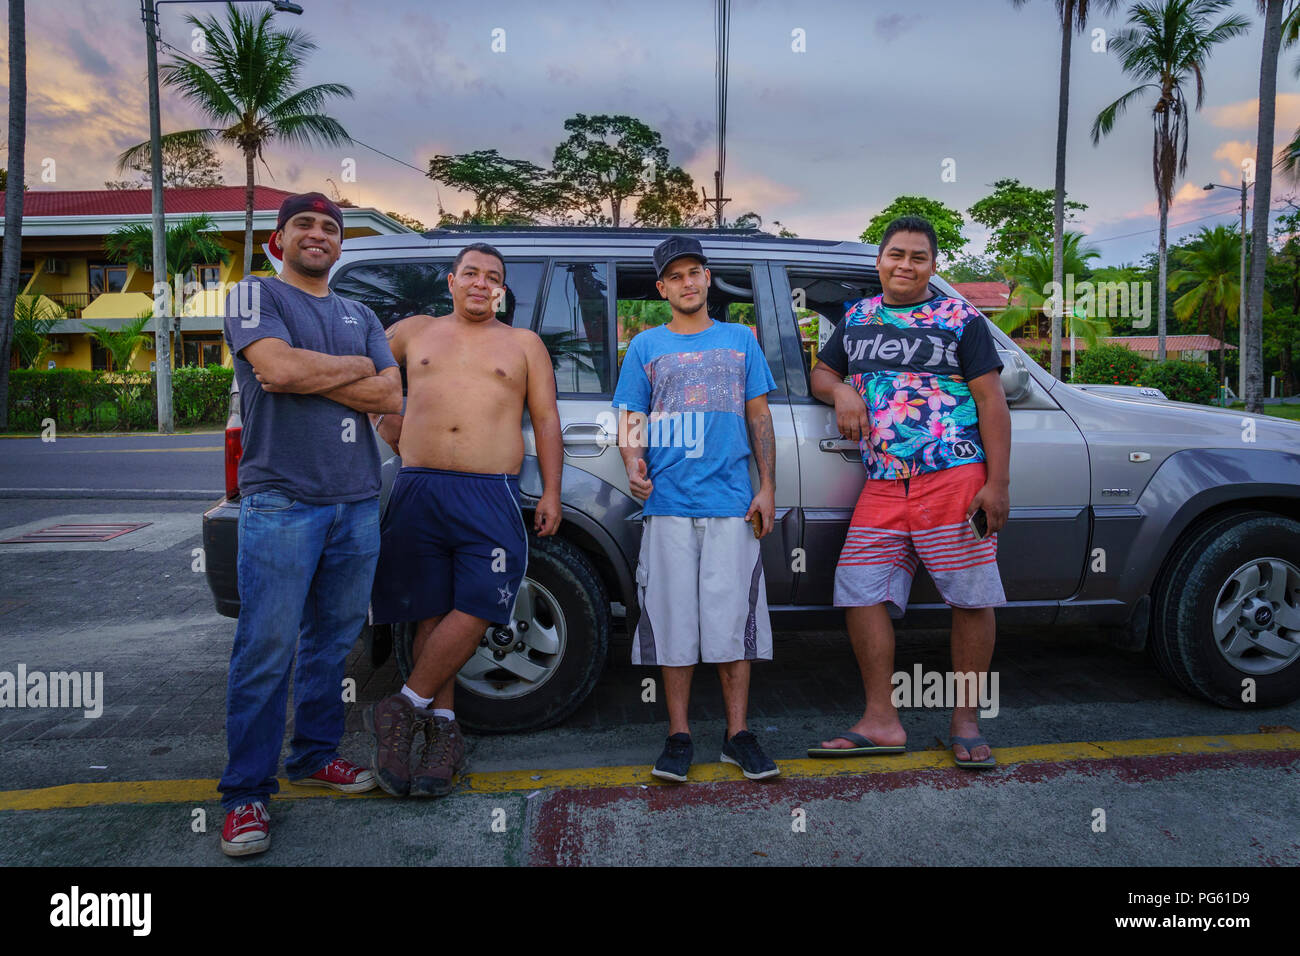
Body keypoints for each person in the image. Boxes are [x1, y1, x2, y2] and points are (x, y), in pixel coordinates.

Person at [218, 192, 402, 856]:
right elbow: (274, 367)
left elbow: (391, 394)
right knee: (266, 650)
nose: (318, 234)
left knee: (331, 644)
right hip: (282, 503)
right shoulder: (250, 296)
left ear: (340, 243)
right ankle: (244, 794)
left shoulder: (360, 312)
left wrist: (314, 374)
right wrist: (354, 368)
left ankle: (315, 755)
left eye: (330, 227)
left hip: (356, 503)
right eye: (305, 225)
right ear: (279, 238)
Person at [806, 215, 1010, 769]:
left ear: (933, 266)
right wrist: (843, 390)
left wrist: (997, 484)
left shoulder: (960, 318)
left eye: (918, 257)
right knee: (858, 588)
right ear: (879, 261)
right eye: (896, 254)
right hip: (883, 481)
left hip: (954, 475)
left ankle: (965, 722)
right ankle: (881, 720)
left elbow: (992, 400)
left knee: (971, 596)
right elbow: (819, 374)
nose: (905, 265)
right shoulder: (857, 317)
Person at [367, 243, 563, 798]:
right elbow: (367, 373)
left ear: (501, 290)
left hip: (491, 492)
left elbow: (546, 421)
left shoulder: (523, 344)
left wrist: (550, 490)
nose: (481, 283)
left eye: (493, 277)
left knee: (481, 603)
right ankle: (442, 736)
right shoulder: (414, 332)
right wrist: (386, 417)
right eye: (471, 273)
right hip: (420, 487)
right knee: (429, 609)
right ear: (451, 280)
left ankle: (400, 707)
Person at [613, 236, 780, 783]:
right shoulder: (645, 347)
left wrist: (768, 486)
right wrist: (633, 462)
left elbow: (759, 418)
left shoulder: (741, 341)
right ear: (662, 288)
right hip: (667, 505)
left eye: (695, 272)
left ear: (708, 279)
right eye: (675, 276)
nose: (687, 282)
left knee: (733, 623)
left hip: (732, 504)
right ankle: (678, 735)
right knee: (674, 621)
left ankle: (737, 735)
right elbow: (632, 415)